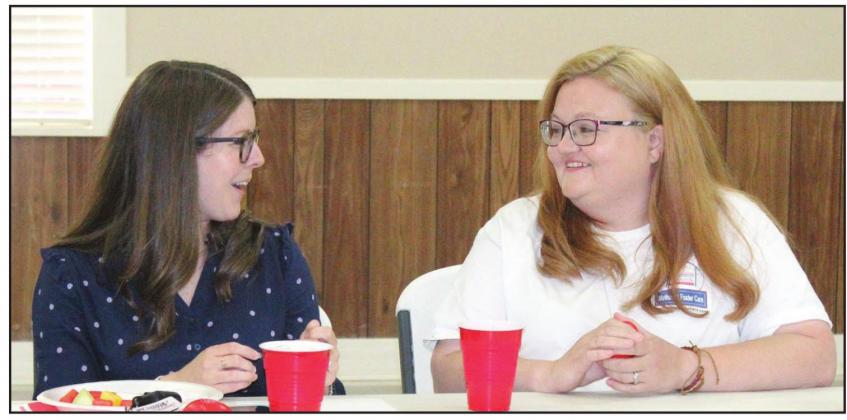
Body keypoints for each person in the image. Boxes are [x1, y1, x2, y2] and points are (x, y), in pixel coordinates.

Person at [430, 46, 835, 394]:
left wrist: (685, 368)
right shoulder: (515, 229)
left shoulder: (733, 222)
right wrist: (551, 374)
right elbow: (447, 368)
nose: (563, 146)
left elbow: (814, 355)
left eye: (587, 129)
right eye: (556, 129)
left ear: (654, 141)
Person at [31, 60, 343, 398]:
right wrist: (175, 389)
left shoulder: (274, 255)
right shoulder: (72, 277)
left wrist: (320, 380)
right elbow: (58, 407)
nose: (258, 157)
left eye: (255, 139)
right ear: (176, 151)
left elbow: (317, 400)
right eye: (241, 140)